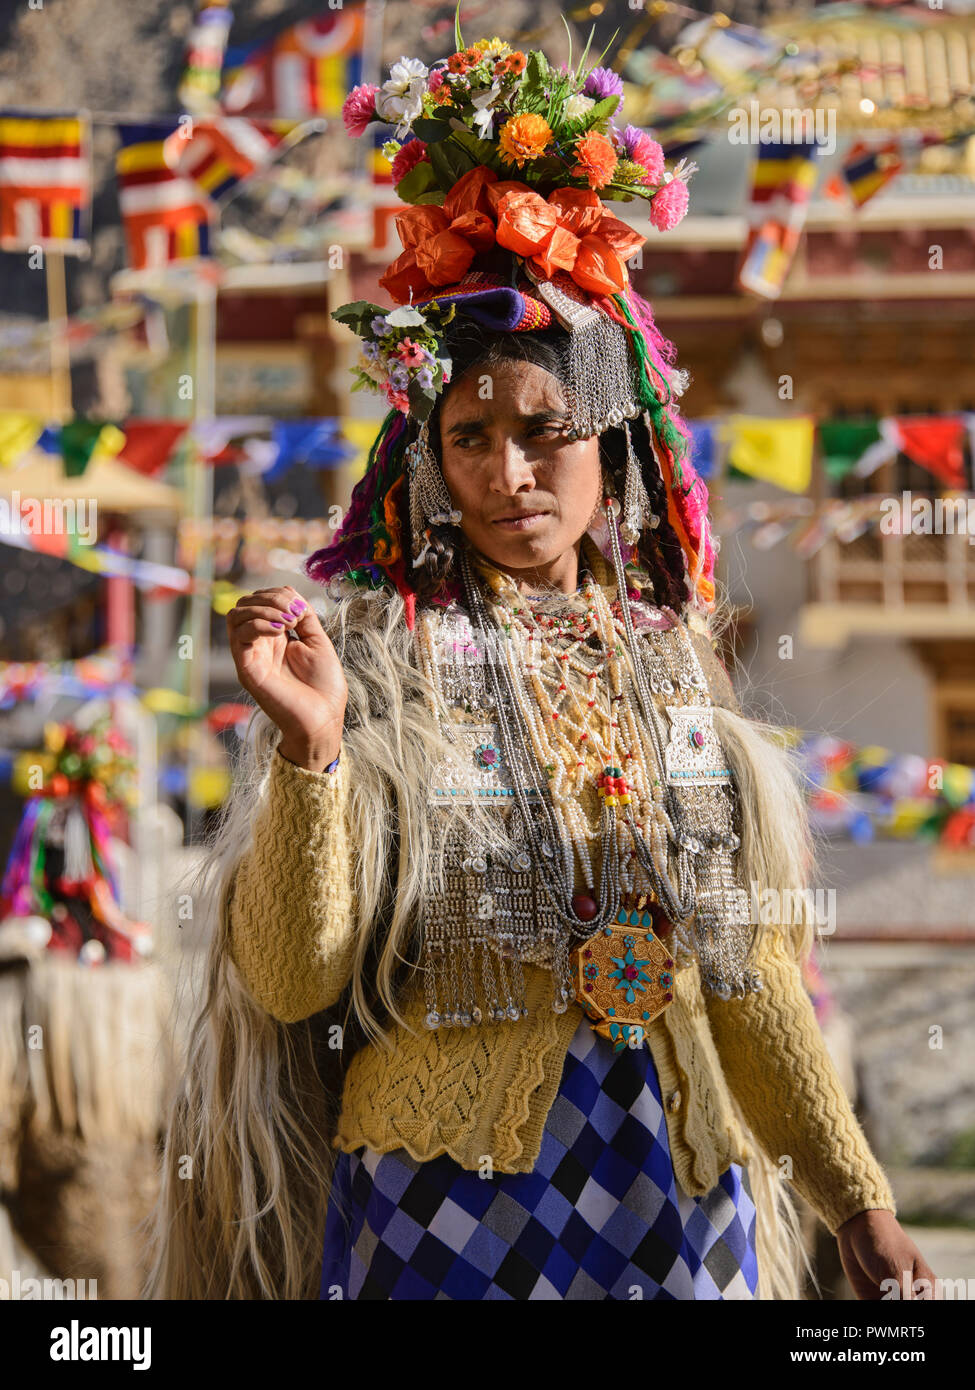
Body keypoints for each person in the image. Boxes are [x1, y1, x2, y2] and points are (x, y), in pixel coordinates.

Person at [149, 35, 934, 1301]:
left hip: (682, 1186)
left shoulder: (674, 674)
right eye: (469, 437)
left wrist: (858, 1196)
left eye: (542, 431)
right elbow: (295, 974)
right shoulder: (369, 663)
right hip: (447, 1204)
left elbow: (742, 965)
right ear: (429, 462)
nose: (508, 473)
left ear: (610, 446)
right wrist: (312, 753)